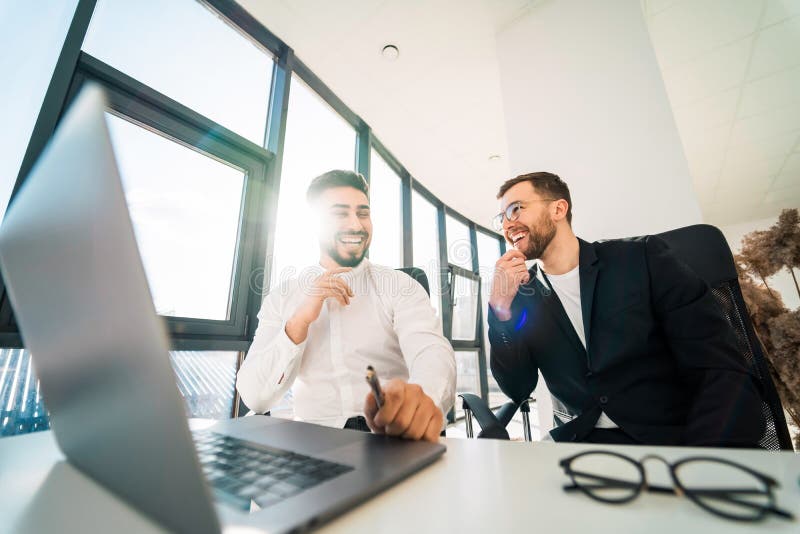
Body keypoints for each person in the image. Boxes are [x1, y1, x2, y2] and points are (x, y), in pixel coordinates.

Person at [487, 171, 765, 447]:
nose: (508, 225)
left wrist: (702, 459)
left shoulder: (641, 259)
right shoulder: (523, 296)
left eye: (516, 209)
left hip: (667, 436)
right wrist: (500, 311)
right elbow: (518, 388)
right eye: (502, 218)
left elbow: (718, 366)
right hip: (582, 444)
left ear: (559, 208)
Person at [237, 170, 455, 443]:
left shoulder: (400, 286)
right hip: (314, 441)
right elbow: (255, 397)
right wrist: (298, 322)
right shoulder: (282, 297)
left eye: (363, 213)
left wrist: (424, 399)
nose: (356, 224)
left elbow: (431, 351)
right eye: (340, 213)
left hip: (390, 436)